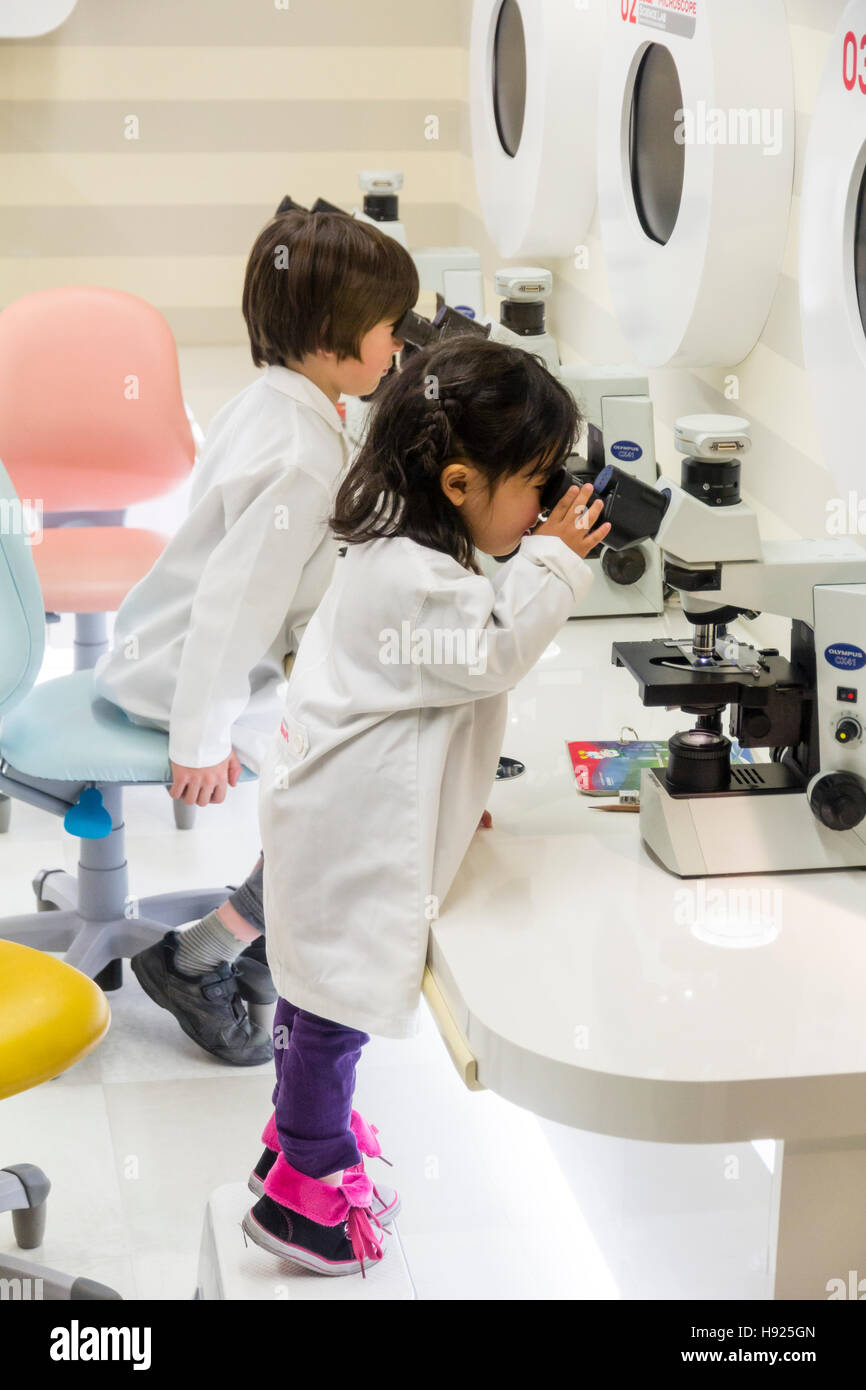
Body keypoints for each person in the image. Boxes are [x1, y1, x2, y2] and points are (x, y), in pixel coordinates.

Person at [242, 334, 611, 1275]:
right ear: (456, 483)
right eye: (533, 485)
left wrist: (456, 792)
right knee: (332, 1013)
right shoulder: (415, 577)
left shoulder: (398, 539)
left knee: (317, 998)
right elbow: (486, 650)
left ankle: (294, 1142)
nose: (540, 506)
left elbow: (430, 693)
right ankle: (306, 1194)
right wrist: (562, 561)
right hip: (348, 833)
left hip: (333, 808)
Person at [93, 207, 418, 1064]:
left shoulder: (288, 403)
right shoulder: (299, 457)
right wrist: (198, 743)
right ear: (330, 336)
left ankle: (268, 941)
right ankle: (198, 957)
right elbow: (230, 612)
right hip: (185, 677)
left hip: (188, 650)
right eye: (390, 329)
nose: (399, 346)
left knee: (364, 756)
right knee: (354, 791)